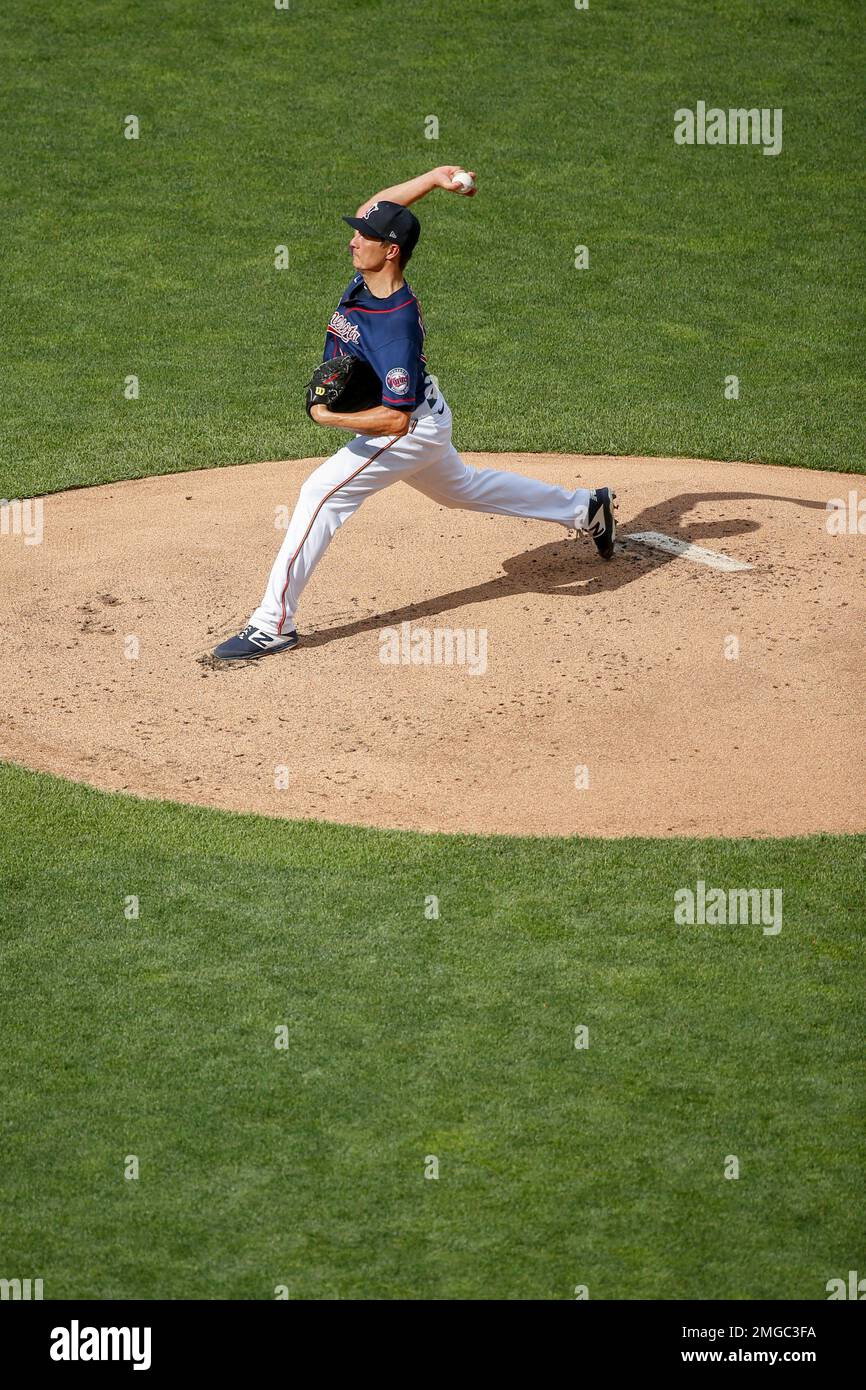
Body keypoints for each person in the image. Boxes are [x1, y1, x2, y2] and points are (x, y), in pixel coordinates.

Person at [213, 164, 617, 660]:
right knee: (462, 489)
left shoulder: (396, 328)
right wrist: (433, 178)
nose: (353, 241)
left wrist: (327, 418)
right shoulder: (368, 276)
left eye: (365, 237)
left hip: (412, 427)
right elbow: (379, 205)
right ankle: (585, 507)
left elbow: (394, 420)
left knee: (320, 493)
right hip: (427, 414)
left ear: (392, 251)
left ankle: (272, 623)